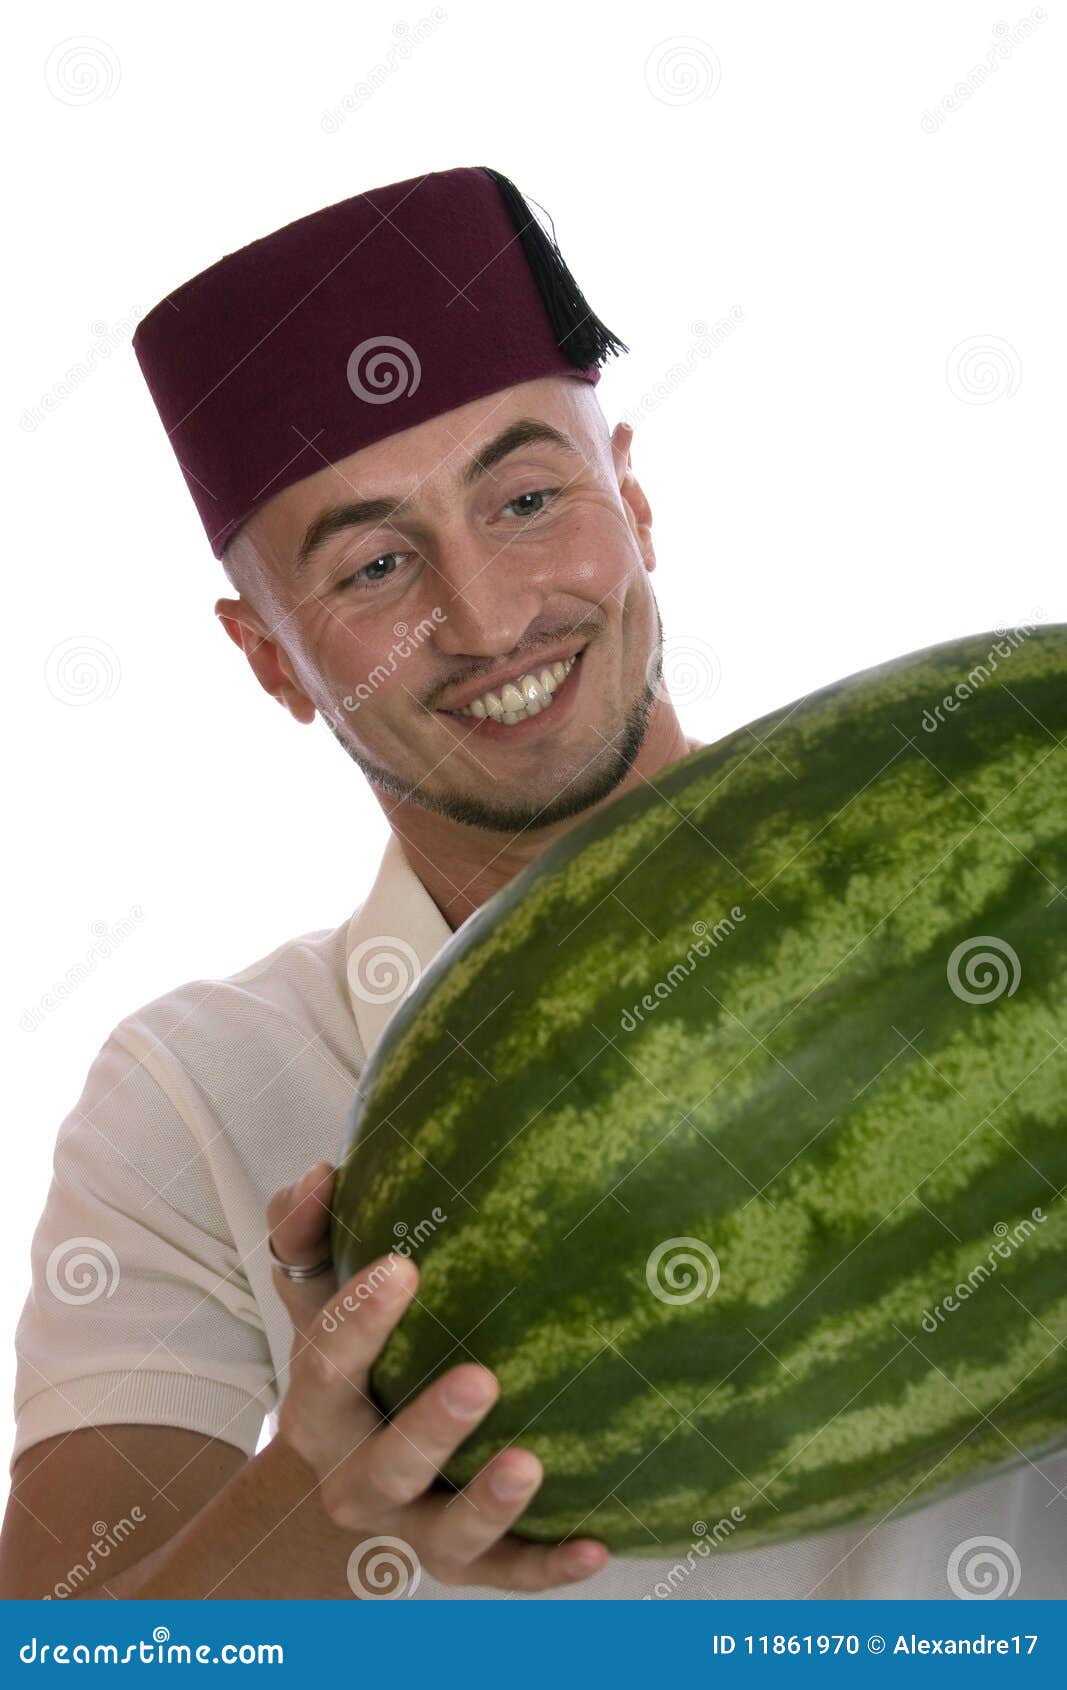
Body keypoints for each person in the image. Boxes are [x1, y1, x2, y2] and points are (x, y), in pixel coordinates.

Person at [2, 166, 1062, 1602]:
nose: (490, 618)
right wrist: (322, 1509)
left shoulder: (977, 856)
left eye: (526, 496)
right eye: (377, 562)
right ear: (268, 657)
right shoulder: (192, 1091)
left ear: (626, 492)